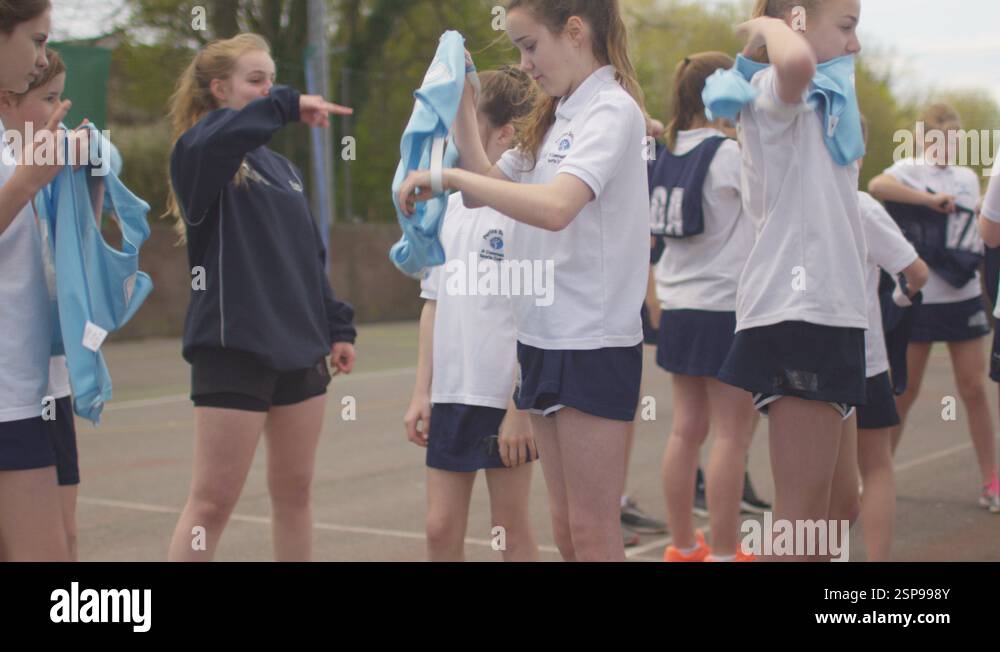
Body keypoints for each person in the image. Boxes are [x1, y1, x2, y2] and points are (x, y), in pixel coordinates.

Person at [399, 0, 649, 561]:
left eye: (529, 45)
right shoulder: (556, 115)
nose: (524, 62)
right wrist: (464, 100)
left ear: (576, 32)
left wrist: (448, 174)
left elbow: (558, 206)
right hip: (543, 340)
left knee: (591, 530)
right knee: (564, 528)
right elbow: (485, 182)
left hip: (592, 342)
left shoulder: (611, 110)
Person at [164, 33, 357, 561]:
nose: (269, 90)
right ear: (219, 88)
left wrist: (337, 326)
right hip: (233, 350)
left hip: (300, 350)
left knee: (294, 495)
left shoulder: (284, 170)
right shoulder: (199, 154)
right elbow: (221, 139)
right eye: (256, 81)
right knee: (210, 504)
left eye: (272, 80)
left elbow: (307, 258)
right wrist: (287, 103)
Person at [716, 0, 868, 561]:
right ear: (798, 23)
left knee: (841, 507)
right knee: (802, 526)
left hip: (836, 313)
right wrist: (768, 26)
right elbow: (796, 64)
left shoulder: (823, 102)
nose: (855, 44)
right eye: (847, 28)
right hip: (798, 312)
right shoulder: (773, 97)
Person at [404, 66, 540, 562]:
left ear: (503, 133)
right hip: (450, 396)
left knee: (509, 528)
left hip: (503, 398)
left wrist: (519, 408)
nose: (453, 136)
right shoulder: (451, 206)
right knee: (440, 529)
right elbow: (433, 304)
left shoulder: (526, 207)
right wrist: (423, 392)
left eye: (467, 122)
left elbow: (534, 316)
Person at [648, 52, 757, 562]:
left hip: (676, 304)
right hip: (724, 305)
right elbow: (769, 213)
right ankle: (725, 549)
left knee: (685, 429)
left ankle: (682, 544)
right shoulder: (730, 153)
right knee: (732, 435)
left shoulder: (664, 150)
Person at [869, 102, 999, 513]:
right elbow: (877, 187)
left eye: (955, 139)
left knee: (975, 390)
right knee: (904, 391)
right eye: (940, 139)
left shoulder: (965, 177)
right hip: (921, 298)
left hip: (960, 298)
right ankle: (875, 475)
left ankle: (992, 481)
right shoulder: (909, 169)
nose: (948, 146)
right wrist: (927, 200)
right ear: (925, 139)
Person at [0, 0, 75, 562]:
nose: (43, 57)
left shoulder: (12, 146)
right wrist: (24, 183)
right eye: (36, 40)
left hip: (28, 391)